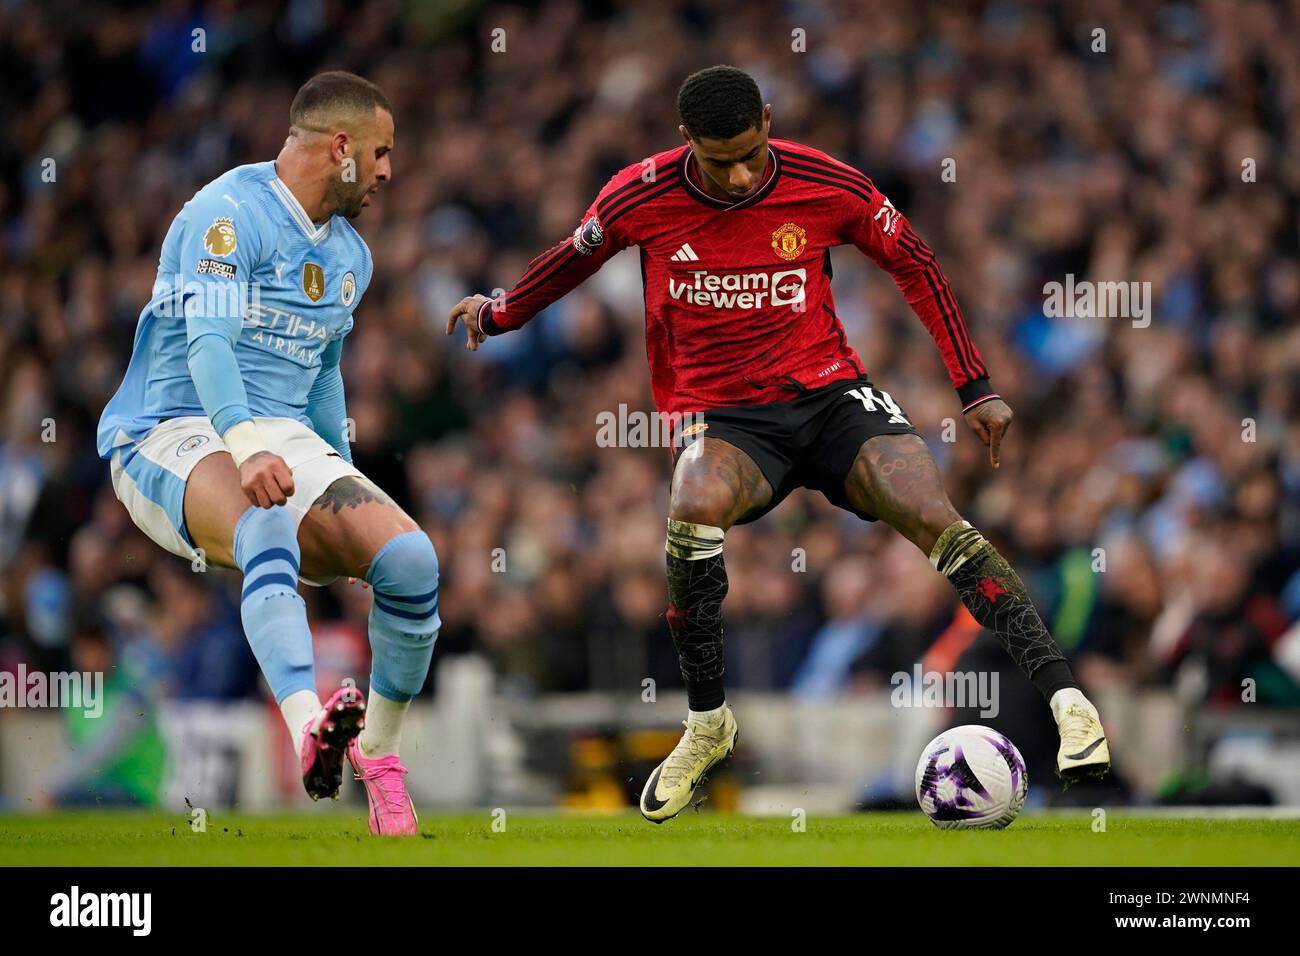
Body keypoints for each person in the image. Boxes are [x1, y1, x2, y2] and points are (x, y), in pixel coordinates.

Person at [448, 65, 1110, 824]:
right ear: (683, 140)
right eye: (715, 159)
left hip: (830, 397)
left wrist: (975, 386)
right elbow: (574, 255)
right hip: (724, 417)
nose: (734, 176)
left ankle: (1067, 699)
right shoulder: (640, 193)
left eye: (747, 154)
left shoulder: (825, 181)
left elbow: (916, 263)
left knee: (934, 513)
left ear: (767, 120)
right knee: (691, 505)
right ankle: (707, 723)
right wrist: (499, 314)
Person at [98, 71, 435, 836]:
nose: (388, 171)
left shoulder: (352, 256)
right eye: (381, 153)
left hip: (279, 437)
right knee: (269, 522)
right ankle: (308, 723)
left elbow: (322, 376)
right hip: (172, 427)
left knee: (412, 561)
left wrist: (347, 486)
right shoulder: (225, 214)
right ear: (340, 147)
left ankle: (376, 762)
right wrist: (247, 448)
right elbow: (209, 343)